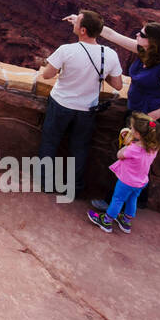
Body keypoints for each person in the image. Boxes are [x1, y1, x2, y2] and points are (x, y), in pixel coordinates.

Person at [91, 19, 160, 209]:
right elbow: (111, 35)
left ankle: (112, 204)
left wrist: (151, 117)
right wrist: (83, 20)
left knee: (128, 162)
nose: (137, 35)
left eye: (142, 34)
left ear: (154, 42)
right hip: (135, 116)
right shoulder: (144, 52)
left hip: (150, 124)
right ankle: (137, 202)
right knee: (137, 163)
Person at [35, 10, 123, 198]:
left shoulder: (66, 50)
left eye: (77, 22)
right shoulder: (110, 54)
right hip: (87, 110)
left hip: (61, 105)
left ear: (82, 30)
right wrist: (98, 73)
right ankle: (73, 188)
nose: (73, 24)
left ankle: (46, 182)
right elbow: (117, 84)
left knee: (50, 143)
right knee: (79, 149)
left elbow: (46, 75)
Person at [88, 112, 160, 233]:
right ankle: (126, 221)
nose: (131, 129)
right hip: (141, 182)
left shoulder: (133, 149)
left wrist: (127, 143)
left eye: (132, 128)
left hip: (126, 182)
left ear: (138, 134)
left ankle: (106, 221)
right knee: (132, 200)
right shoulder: (154, 148)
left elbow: (119, 155)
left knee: (117, 199)